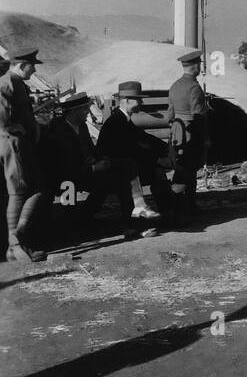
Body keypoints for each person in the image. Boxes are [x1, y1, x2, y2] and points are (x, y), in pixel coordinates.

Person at [49, 91, 161, 232]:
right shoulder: (59, 130)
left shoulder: (82, 126)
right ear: (74, 111)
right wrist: (94, 168)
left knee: (125, 169)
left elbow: (91, 148)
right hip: (67, 176)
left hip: (87, 169)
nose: (87, 112)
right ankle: (75, 220)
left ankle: (132, 218)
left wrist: (103, 159)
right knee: (70, 190)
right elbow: (64, 163)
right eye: (85, 109)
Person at [95, 82, 173, 218]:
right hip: (116, 169)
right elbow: (132, 150)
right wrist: (158, 159)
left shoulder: (123, 118)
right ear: (126, 101)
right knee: (157, 172)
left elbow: (144, 138)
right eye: (138, 99)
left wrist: (166, 148)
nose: (141, 102)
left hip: (126, 166)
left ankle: (168, 213)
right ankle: (167, 215)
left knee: (157, 172)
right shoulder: (117, 122)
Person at [0, 48, 48, 261]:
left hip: (22, 144)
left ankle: (17, 240)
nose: (34, 69)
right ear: (20, 66)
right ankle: (15, 246)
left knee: (36, 190)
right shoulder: (7, 81)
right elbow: (2, 115)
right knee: (19, 191)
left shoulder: (17, 82)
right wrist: (8, 128)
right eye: (32, 66)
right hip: (12, 144)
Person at [165, 48, 209, 214]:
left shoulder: (174, 86)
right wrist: (205, 138)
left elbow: (170, 113)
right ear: (195, 66)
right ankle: (188, 205)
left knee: (182, 167)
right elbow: (199, 116)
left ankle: (184, 204)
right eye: (199, 64)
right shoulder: (194, 88)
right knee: (190, 169)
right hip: (191, 133)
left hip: (177, 132)